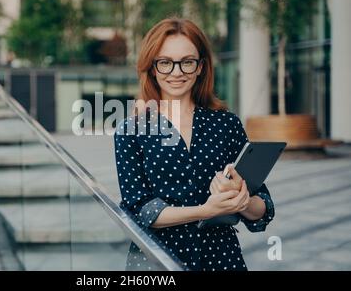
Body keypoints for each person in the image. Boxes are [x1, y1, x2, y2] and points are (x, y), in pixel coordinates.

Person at [113, 17, 274, 271]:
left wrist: (242, 200)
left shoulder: (227, 123)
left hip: (222, 260)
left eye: (187, 62)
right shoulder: (132, 130)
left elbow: (263, 206)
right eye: (165, 63)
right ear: (152, 68)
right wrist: (205, 210)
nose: (177, 72)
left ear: (200, 67)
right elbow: (140, 209)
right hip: (156, 262)